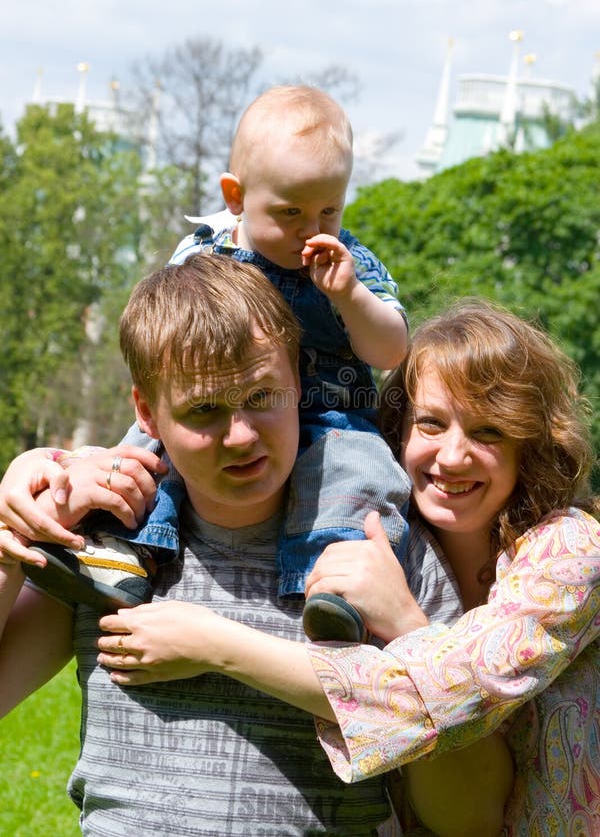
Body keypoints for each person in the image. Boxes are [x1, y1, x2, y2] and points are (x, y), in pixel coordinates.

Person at [45, 299, 597, 835]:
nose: (452, 456)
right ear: (398, 430)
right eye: (431, 424)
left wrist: (216, 644)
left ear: (533, 441)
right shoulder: (384, 532)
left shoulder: (566, 550)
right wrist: (40, 476)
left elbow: (457, 696)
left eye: (489, 431)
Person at [0, 253, 404, 835]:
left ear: (297, 379)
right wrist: (15, 531)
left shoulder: (369, 538)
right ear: (146, 412)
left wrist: (215, 644)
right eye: (205, 410)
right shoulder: (107, 544)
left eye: (262, 396)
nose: (241, 436)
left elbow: (456, 788)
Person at [15, 84, 412, 642]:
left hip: (330, 418)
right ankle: (118, 546)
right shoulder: (204, 252)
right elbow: (160, 342)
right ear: (235, 196)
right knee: (143, 451)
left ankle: (332, 585)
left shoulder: (351, 262)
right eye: (290, 211)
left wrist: (350, 297)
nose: (310, 229)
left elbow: (391, 350)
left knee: (360, 474)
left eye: (329, 209)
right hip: (222, 404)